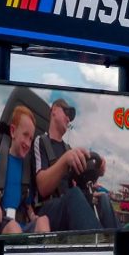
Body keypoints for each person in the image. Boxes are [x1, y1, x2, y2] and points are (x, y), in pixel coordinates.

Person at [33, 93, 118, 232]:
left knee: (103, 200)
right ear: (54, 110)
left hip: (71, 205)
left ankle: (118, 243)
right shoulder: (41, 141)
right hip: (48, 209)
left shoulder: (69, 149)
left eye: (71, 117)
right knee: (74, 194)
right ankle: (99, 245)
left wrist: (98, 172)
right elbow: (42, 187)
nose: (68, 118)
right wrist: (65, 160)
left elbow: (80, 184)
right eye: (66, 112)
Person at [0, 106, 52, 234]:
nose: (28, 143)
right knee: (14, 228)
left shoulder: (26, 168)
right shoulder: (0, 161)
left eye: (31, 138)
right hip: (3, 224)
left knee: (44, 220)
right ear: (13, 131)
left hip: (23, 226)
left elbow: (28, 203)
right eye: (25, 135)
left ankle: (42, 252)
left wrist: (32, 216)